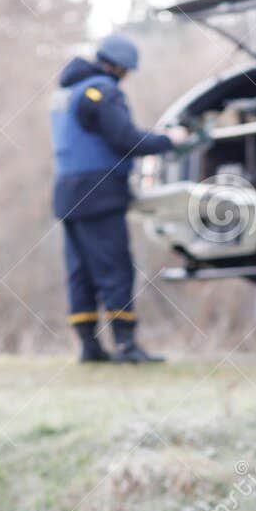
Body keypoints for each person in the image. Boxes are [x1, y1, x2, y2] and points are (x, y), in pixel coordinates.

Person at [51, 34, 189, 364]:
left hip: (68, 193)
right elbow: (125, 139)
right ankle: (127, 346)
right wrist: (170, 140)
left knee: (81, 271)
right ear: (118, 67)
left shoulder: (67, 93)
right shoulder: (103, 91)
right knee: (115, 268)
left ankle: (89, 347)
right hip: (98, 193)